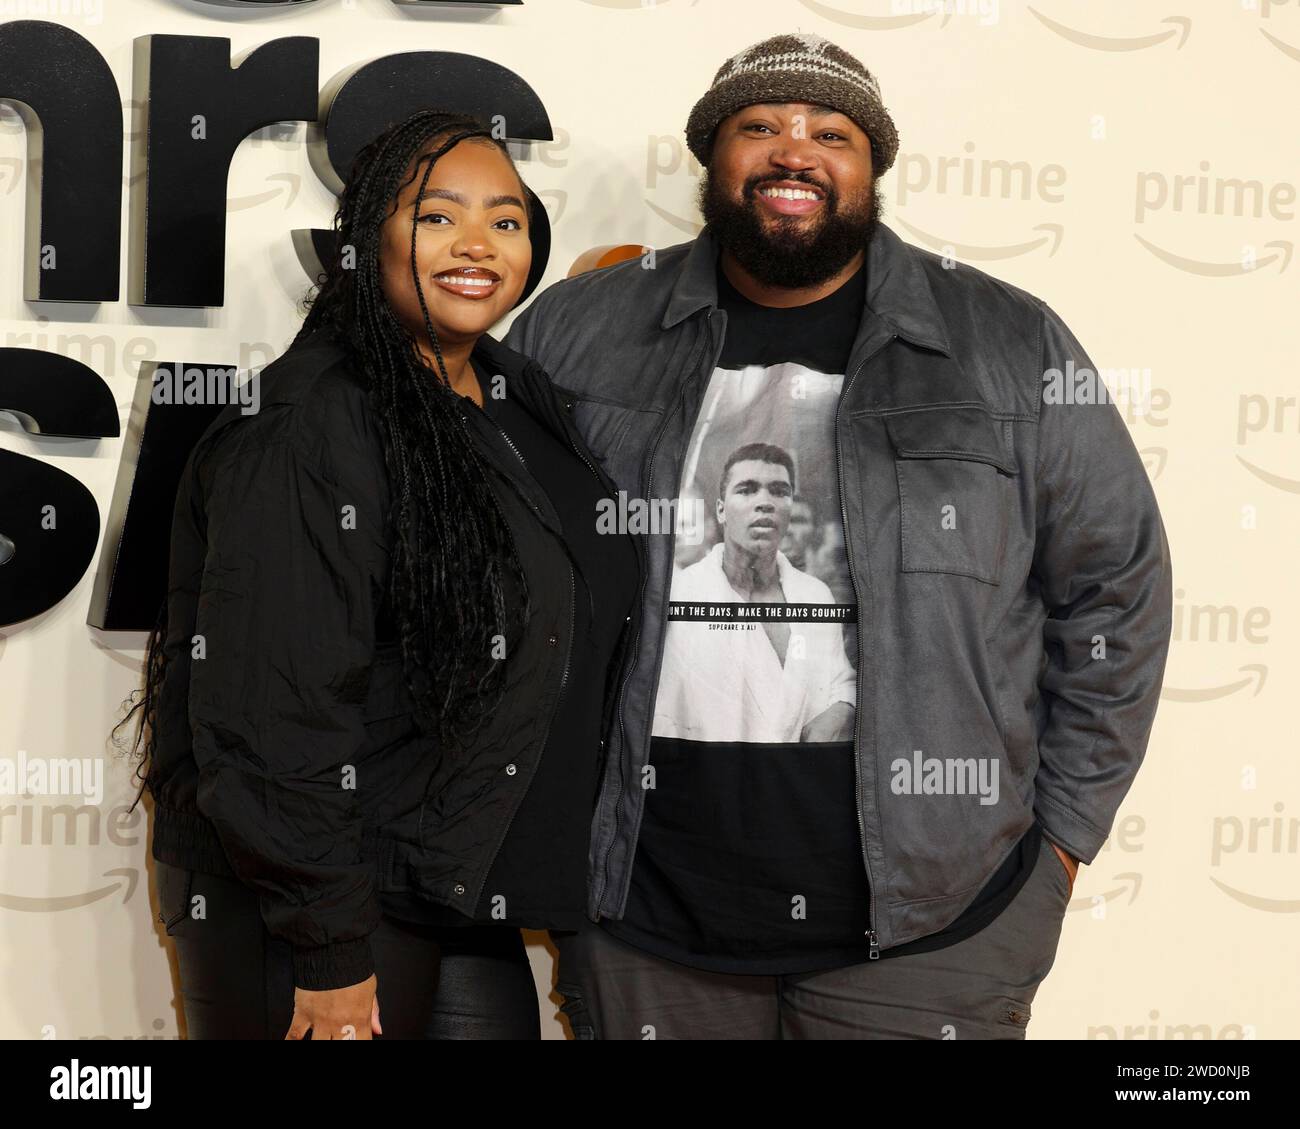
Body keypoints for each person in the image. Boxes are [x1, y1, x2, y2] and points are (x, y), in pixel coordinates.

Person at [505, 32, 1173, 1038]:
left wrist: (1062, 843)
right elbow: (504, 576)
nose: (792, 150)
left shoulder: (1006, 342)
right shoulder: (580, 331)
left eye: (831, 132)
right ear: (711, 157)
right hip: (643, 913)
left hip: (934, 926)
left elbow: (1115, 586)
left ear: (871, 169)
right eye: (758, 126)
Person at [116, 110, 639, 1040]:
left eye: (506, 220)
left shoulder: (514, 400)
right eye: (436, 217)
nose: (476, 243)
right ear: (368, 243)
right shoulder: (314, 423)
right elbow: (271, 705)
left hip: (448, 871)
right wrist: (325, 947)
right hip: (312, 894)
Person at [653, 441, 855, 744]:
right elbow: (658, 711)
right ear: (721, 510)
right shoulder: (681, 594)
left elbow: (841, 681)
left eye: (779, 491)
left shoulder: (815, 595)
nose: (765, 502)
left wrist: (836, 714)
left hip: (800, 779)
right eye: (747, 490)